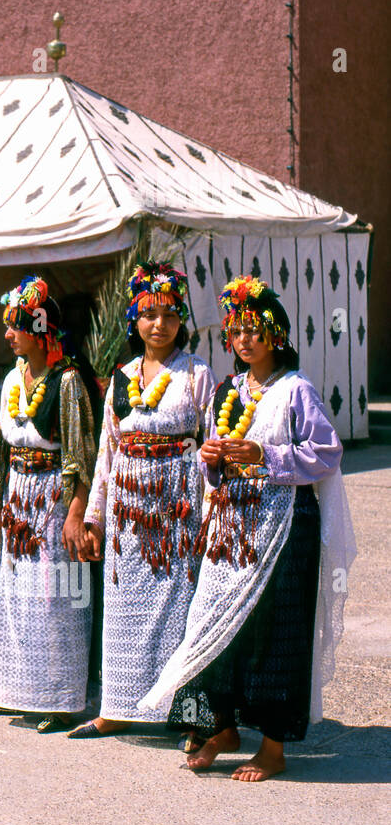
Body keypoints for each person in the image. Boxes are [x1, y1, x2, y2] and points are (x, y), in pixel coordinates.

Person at [140, 276, 356, 781]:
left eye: (254, 330)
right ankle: (219, 727)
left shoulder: (296, 390)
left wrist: (266, 454)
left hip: (285, 526)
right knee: (213, 622)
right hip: (233, 525)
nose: (244, 340)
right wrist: (210, 458)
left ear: (276, 335)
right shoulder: (227, 391)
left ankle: (274, 748)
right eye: (235, 331)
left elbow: (327, 453)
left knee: (275, 631)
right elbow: (211, 456)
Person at [70, 263, 215, 738]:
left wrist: (212, 505)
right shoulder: (122, 377)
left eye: (169, 314)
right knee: (123, 606)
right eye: (149, 314)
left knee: (182, 607)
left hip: (177, 509)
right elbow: (107, 449)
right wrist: (93, 516)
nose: (159, 324)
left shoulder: (196, 373)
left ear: (181, 319)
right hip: (127, 513)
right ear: (134, 318)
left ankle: (186, 715)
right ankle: (117, 707)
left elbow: (212, 442)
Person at [0, 275, 97, 732]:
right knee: (13, 596)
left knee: (54, 597)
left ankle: (60, 698)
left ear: (39, 330)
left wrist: (75, 512)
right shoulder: (10, 380)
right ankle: (16, 692)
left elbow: (81, 455)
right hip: (17, 499)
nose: (7, 335)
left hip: (51, 499)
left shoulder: (67, 383)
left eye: (15, 326)